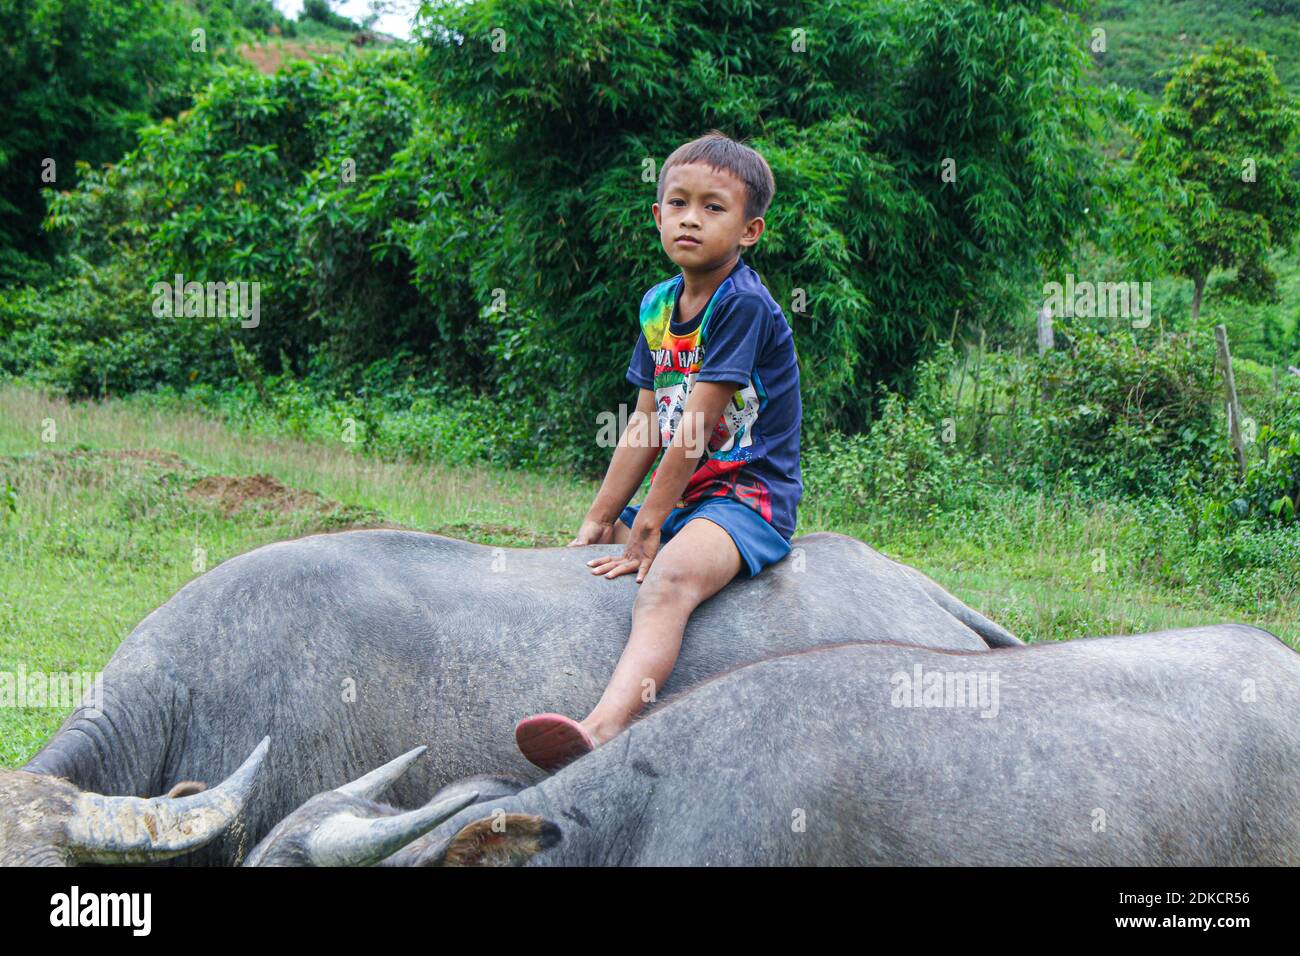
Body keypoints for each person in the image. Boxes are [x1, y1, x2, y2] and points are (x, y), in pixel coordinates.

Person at [514, 131, 803, 771]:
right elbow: (646, 423)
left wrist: (647, 526)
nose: (691, 219)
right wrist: (600, 517)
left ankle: (602, 729)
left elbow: (693, 432)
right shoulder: (657, 305)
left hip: (744, 496)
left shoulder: (743, 306)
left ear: (750, 231)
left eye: (713, 207)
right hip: (687, 492)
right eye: (678, 203)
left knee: (664, 579)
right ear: (658, 215)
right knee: (595, 550)